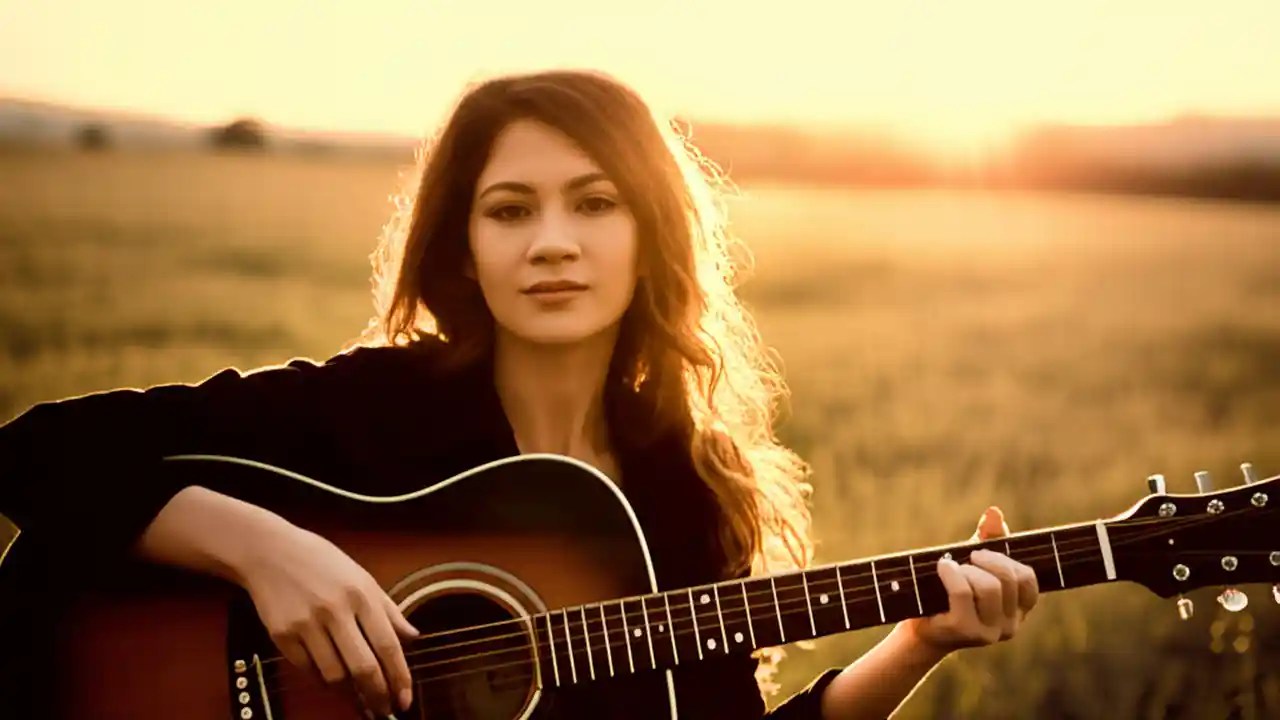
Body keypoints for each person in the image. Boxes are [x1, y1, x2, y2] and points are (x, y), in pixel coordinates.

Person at [0, 68, 1039, 719]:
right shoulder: (370, 409)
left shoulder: (680, 484)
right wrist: (266, 551)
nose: (552, 241)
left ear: (651, 236)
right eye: (509, 210)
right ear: (465, 241)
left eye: (594, 203)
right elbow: (32, 452)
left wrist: (917, 641)